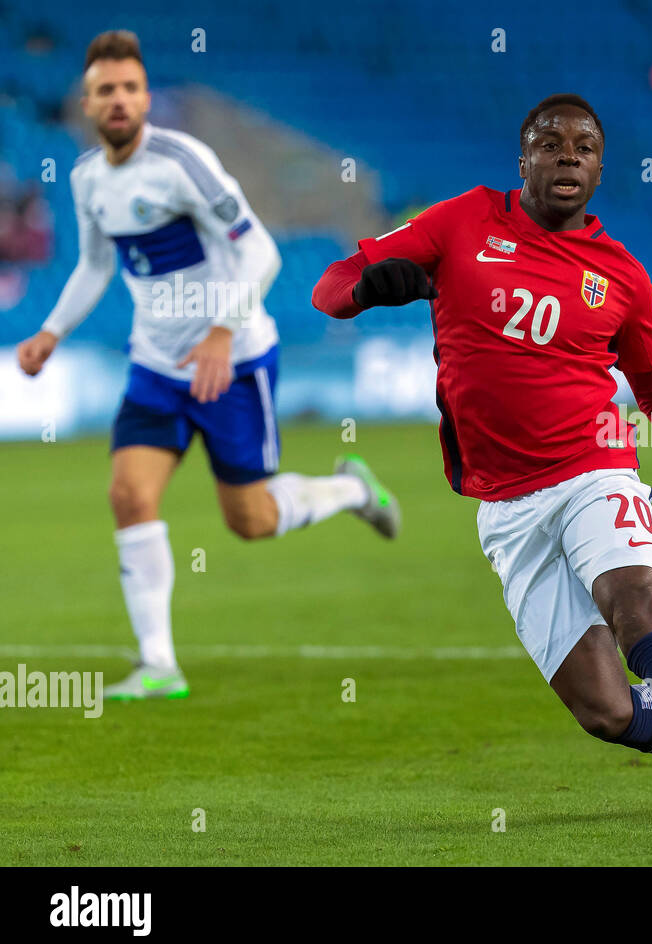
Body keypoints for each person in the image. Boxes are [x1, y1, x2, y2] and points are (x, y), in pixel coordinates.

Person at [312, 94, 652, 848]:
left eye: (584, 146)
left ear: (599, 167)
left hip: (597, 468)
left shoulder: (619, 272)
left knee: (636, 608)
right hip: (506, 505)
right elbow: (333, 283)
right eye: (549, 143)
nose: (567, 155)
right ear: (522, 159)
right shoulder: (459, 222)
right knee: (608, 712)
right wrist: (366, 288)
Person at [16, 31, 400, 700]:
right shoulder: (85, 180)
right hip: (157, 365)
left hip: (235, 360)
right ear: (87, 101)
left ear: (143, 97)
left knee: (249, 520)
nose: (119, 100)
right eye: (106, 89)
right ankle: (158, 665)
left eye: (131, 88)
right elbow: (97, 264)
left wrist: (221, 333)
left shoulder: (183, 162)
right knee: (129, 494)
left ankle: (352, 490)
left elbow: (261, 254)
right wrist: (51, 332)